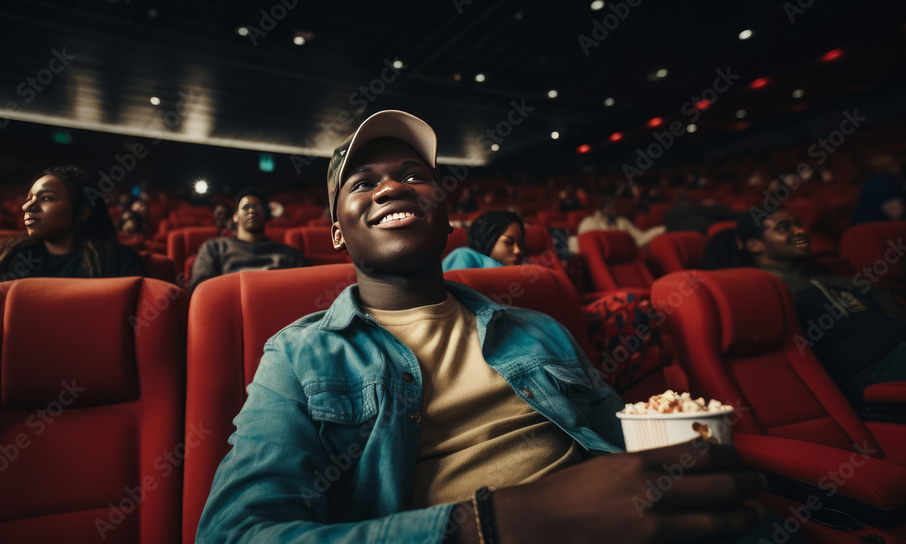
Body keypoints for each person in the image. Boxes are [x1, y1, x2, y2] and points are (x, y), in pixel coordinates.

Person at [196, 110, 770, 544]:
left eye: (413, 176)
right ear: (338, 233)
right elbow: (237, 532)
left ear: (448, 215)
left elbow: (620, 449)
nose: (391, 188)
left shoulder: (539, 326)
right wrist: (500, 522)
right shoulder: (300, 354)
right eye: (363, 183)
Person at [735, 206, 906, 403]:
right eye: (784, 228)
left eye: (798, 224)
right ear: (755, 245)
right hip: (869, 370)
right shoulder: (764, 291)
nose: (800, 231)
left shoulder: (832, 278)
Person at [0, 166, 145, 289]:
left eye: (46, 198)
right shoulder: (3, 258)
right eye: (29, 198)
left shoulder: (119, 263)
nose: (27, 206)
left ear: (82, 212)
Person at [187, 188, 305, 291]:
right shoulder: (214, 248)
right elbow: (201, 290)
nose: (252, 211)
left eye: (257, 207)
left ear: (265, 215)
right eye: (246, 207)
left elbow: (305, 291)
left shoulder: (289, 253)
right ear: (235, 217)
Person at [442, 210, 524, 271]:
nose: (518, 250)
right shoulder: (464, 256)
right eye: (508, 242)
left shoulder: (524, 269)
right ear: (488, 240)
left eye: (520, 244)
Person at [577, 196, 664, 248]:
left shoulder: (621, 221)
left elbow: (639, 237)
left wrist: (657, 231)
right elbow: (590, 247)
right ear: (602, 208)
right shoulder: (588, 223)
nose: (614, 209)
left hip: (631, 248)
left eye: (614, 206)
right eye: (611, 206)